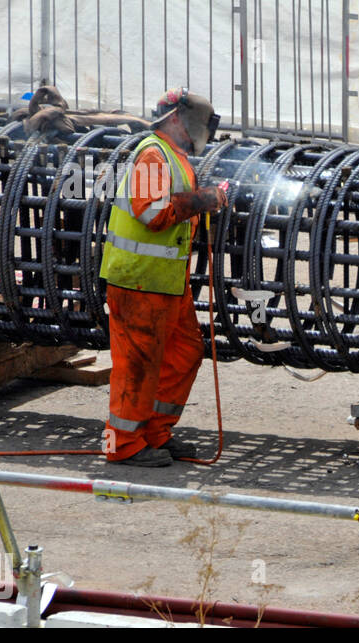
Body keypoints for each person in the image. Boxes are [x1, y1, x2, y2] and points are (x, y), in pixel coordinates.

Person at [100, 88, 228, 467]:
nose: (198, 134)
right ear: (175, 120)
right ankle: (120, 444)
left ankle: (153, 432)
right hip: (138, 282)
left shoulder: (176, 158)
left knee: (185, 352)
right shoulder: (153, 155)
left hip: (167, 283)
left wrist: (206, 199)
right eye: (196, 127)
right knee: (135, 365)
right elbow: (153, 214)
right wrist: (205, 200)